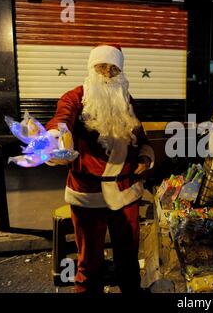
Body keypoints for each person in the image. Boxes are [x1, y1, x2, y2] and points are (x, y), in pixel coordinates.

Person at [45, 44, 155, 294]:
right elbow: (61, 120)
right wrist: (54, 137)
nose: (107, 73)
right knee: (89, 262)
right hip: (88, 194)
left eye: (113, 68)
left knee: (128, 259)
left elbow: (141, 137)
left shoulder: (126, 100)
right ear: (92, 68)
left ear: (121, 72)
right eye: (102, 66)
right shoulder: (75, 97)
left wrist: (145, 158)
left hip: (126, 191)